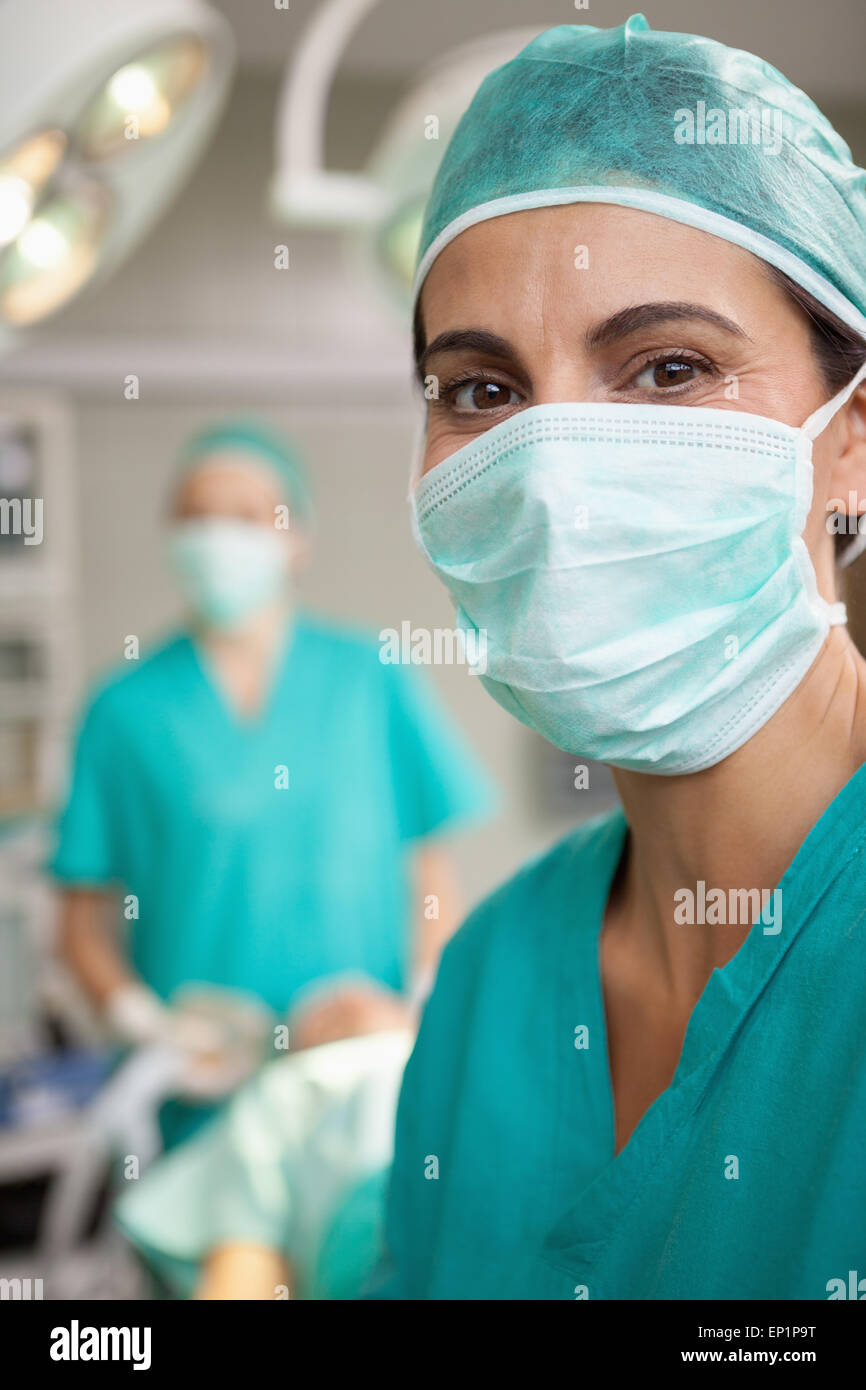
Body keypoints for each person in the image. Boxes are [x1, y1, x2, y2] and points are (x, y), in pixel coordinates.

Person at [374, 16, 866, 1300]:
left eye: (665, 367)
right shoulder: (492, 978)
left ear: (850, 438)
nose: (549, 481)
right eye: (478, 390)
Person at [51, 419, 493, 1146]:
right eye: (197, 516)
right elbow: (79, 925)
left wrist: (418, 1007)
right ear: (170, 534)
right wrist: (147, 1026)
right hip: (201, 1094)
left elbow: (431, 877)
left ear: (297, 538)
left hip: (360, 1073)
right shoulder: (123, 711)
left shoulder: (369, 678)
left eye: (248, 516)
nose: (219, 536)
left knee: (368, 1246)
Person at [114, 990, 413, 1301]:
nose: (345, 998)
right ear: (299, 1048)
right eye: (326, 1018)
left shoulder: (438, 1070)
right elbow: (246, 1277)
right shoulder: (286, 1092)